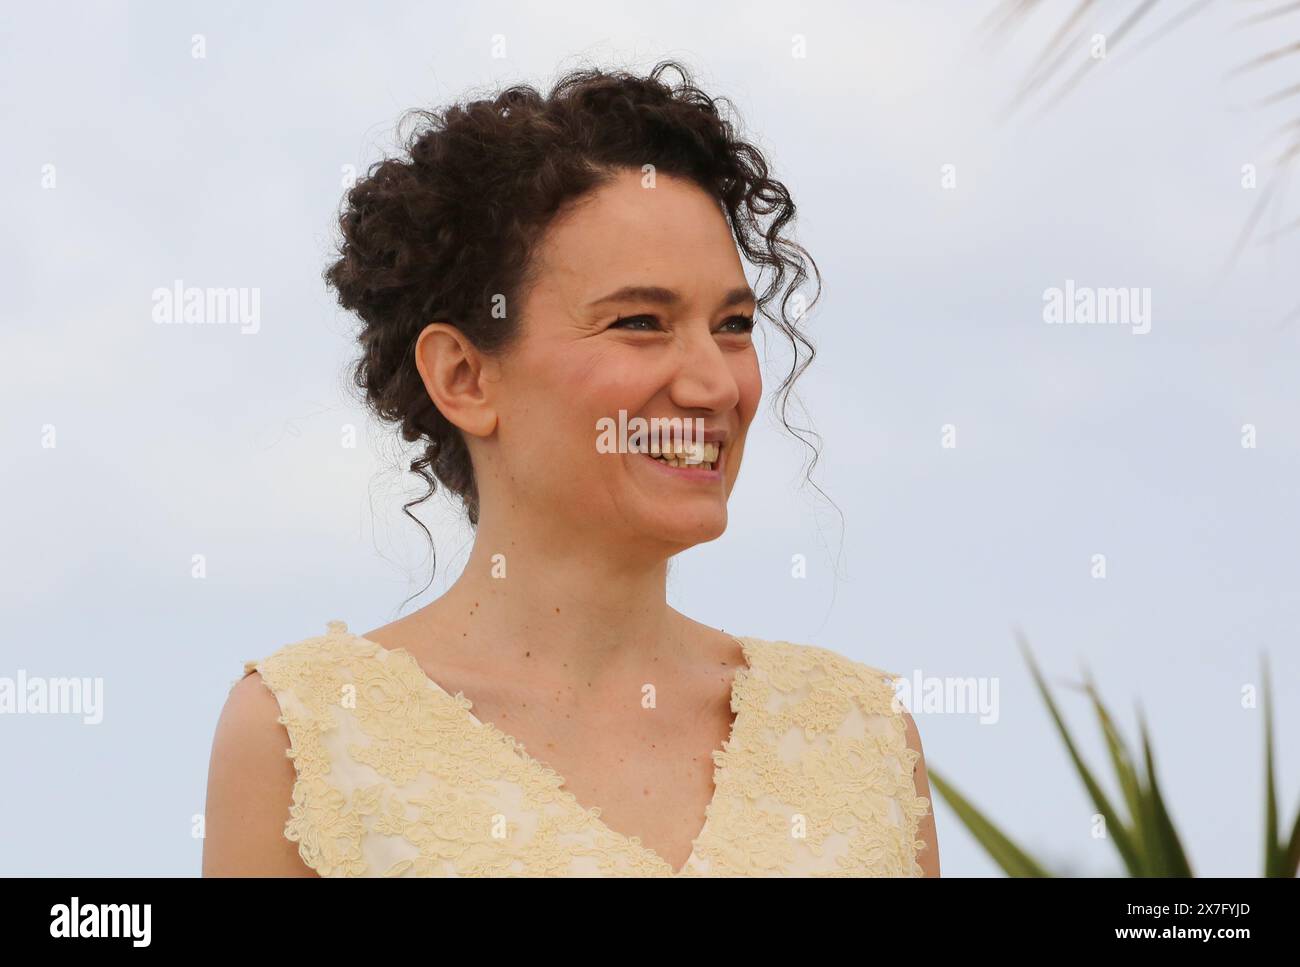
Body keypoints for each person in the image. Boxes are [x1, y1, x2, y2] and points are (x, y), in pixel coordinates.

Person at [202, 60, 938, 877]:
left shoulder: (861, 734)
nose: (715, 383)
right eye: (640, 322)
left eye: (732, 324)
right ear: (464, 378)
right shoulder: (306, 735)